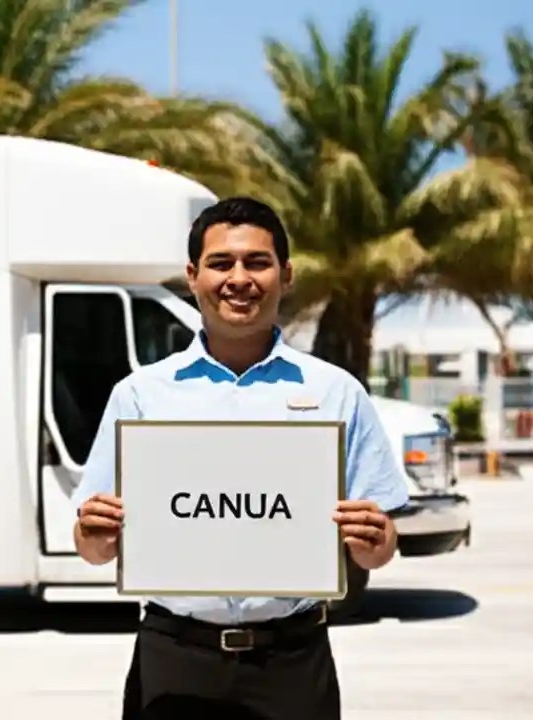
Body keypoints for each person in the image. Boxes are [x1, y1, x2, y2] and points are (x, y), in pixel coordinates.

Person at [70, 196, 410, 719]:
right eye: (221, 263)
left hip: (293, 663)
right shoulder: (141, 395)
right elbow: (94, 549)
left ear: (285, 273)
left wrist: (375, 540)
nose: (239, 278)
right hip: (175, 657)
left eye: (257, 262)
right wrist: (94, 534)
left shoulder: (336, 393)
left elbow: (378, 549)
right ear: (192, 276)